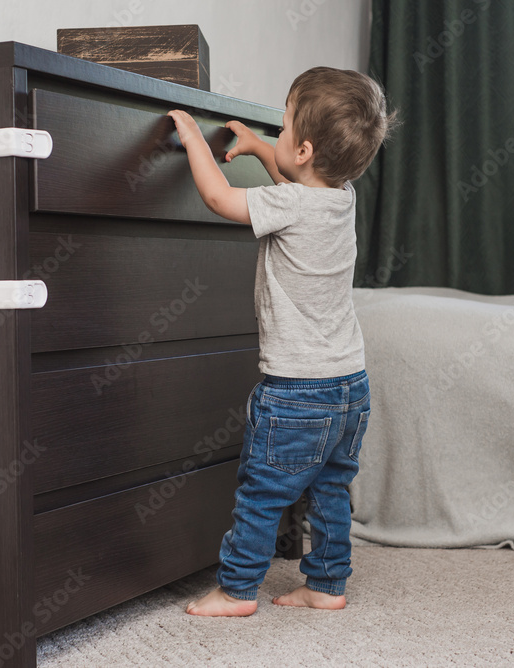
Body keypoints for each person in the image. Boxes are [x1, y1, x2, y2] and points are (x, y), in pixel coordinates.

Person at [167, 66, 396, 617]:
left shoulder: (289, 206)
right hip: (350, 386)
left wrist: (193, 138)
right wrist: (259, 146)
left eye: (285, 125)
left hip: (297, 391)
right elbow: (297, 174)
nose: (280, 133)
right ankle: (327, 584)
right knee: (331, 490)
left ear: (305, 149)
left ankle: (236, 589)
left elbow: (220, 198)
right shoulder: (341, 197)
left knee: (262, 492)